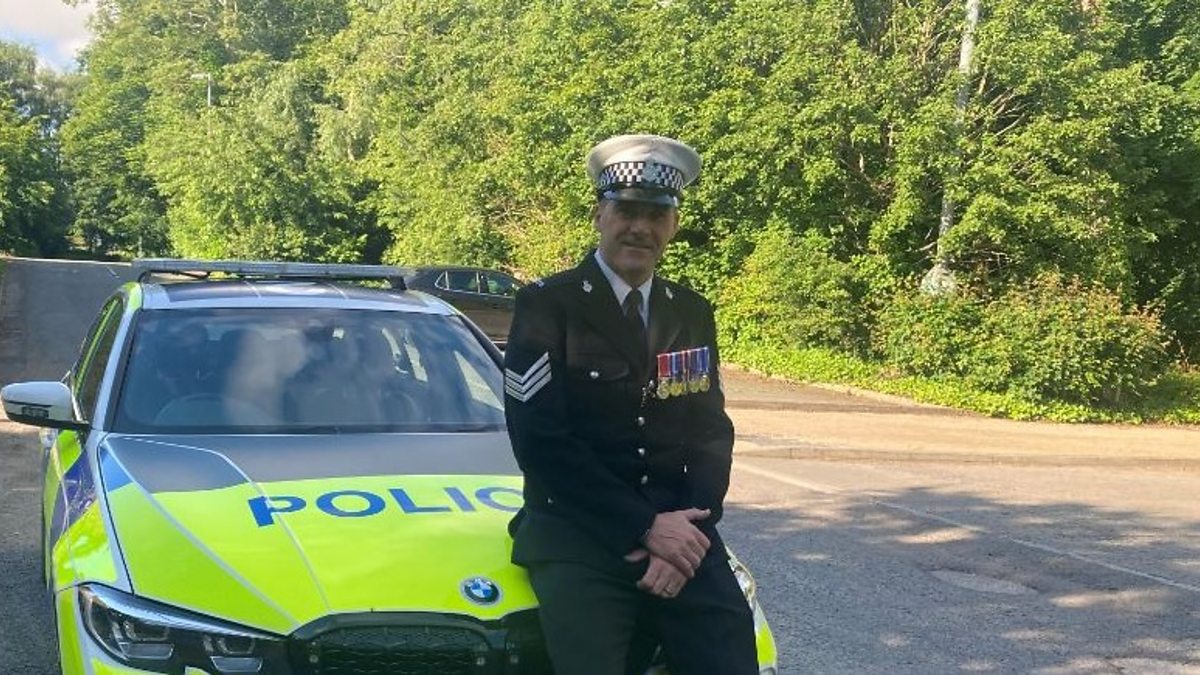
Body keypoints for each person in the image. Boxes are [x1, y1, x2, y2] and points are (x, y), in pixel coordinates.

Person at [503, 134, 758, 675]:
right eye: (626, 211)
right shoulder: (549, 304)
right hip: (578, 530)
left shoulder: (690, 311)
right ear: (600, 215)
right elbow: (540, 442)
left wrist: (689, 529)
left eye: (654, 215)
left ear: (674, 226)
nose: (639, 227)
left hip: (676, 526)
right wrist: (645, 528)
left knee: (733, 656)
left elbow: (710, 431)